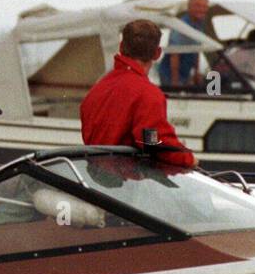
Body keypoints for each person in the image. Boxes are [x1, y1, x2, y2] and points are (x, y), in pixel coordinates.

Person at [80, 19, 195, 166]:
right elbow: (153, 144)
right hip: (128, 183)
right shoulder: (148, 94)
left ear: (121, 47)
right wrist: (188, 158)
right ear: (157, 53)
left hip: (93, 181)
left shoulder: (96, 91)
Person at [158, 0, 216, 88]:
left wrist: (196, 72)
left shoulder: (199, 24)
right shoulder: (182, 26)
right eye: (197, 6)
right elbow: (174, 54)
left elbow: (197, 49)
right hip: (170, 73)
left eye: (204, 6)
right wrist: (175, 83)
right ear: (189, 7)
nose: (201, 9)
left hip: (185, 71)